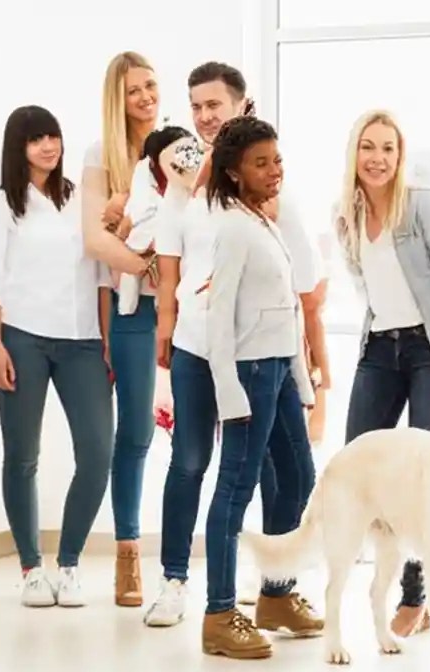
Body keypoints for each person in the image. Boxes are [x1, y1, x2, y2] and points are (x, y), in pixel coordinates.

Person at [144, 62, 328, 626]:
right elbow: (170, 268)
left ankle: (274, 588)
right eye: (195, 106)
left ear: (241, 107)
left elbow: (303, 283)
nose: (203, 116)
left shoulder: (267, 193)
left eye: (214, 105)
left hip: (254, 351)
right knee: (192, 462)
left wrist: (312, 362)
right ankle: (178, 582)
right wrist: (167, 324)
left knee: (281, 473)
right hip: (202, 350)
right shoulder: (184, 193)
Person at [334, 109, 430, 638]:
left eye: (388, 148)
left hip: (429, 351)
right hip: (379, 349)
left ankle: (418, 597)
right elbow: (368, 288)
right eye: (369, 147)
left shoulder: (420, 205)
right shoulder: (344, 214)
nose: (378, 159)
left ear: (401, 154)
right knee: (356, 458)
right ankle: (367, 575)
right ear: (355, 153)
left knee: (428, 474)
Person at [0, 105, 114, 608]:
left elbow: (101, 275)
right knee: (22, 456)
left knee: (99, 453)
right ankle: (32, 567)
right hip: (21, 338)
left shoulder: (83, 199)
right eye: (36, 139)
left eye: (52, 136)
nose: (48, 147)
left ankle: (70, 564)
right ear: (19, 147)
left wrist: (106, 340)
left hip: (82, 343)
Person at [201, 115, 323, 658]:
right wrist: (227, 391)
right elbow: (218, 312)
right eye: (261, 162)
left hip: (277, 370)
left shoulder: (261, 221)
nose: (275, 170)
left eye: (277, 159)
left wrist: (301, 378)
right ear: (233, 172)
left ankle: (276, 594)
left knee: (298, 476)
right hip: (248, 373)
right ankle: (220, 614)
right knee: (236, 488)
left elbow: (289, 311)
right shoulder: (231, 227)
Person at [80, 50, 159, 607]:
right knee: (132, 433)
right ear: (117, 98)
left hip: (180, 306)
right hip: (129, 310)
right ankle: (127, 555)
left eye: (152, 86)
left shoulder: (178, 147)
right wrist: (143, 263)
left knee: (189, 434)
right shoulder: (98, 156)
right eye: (134, 90)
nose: (146, 97)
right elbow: (94, 239)